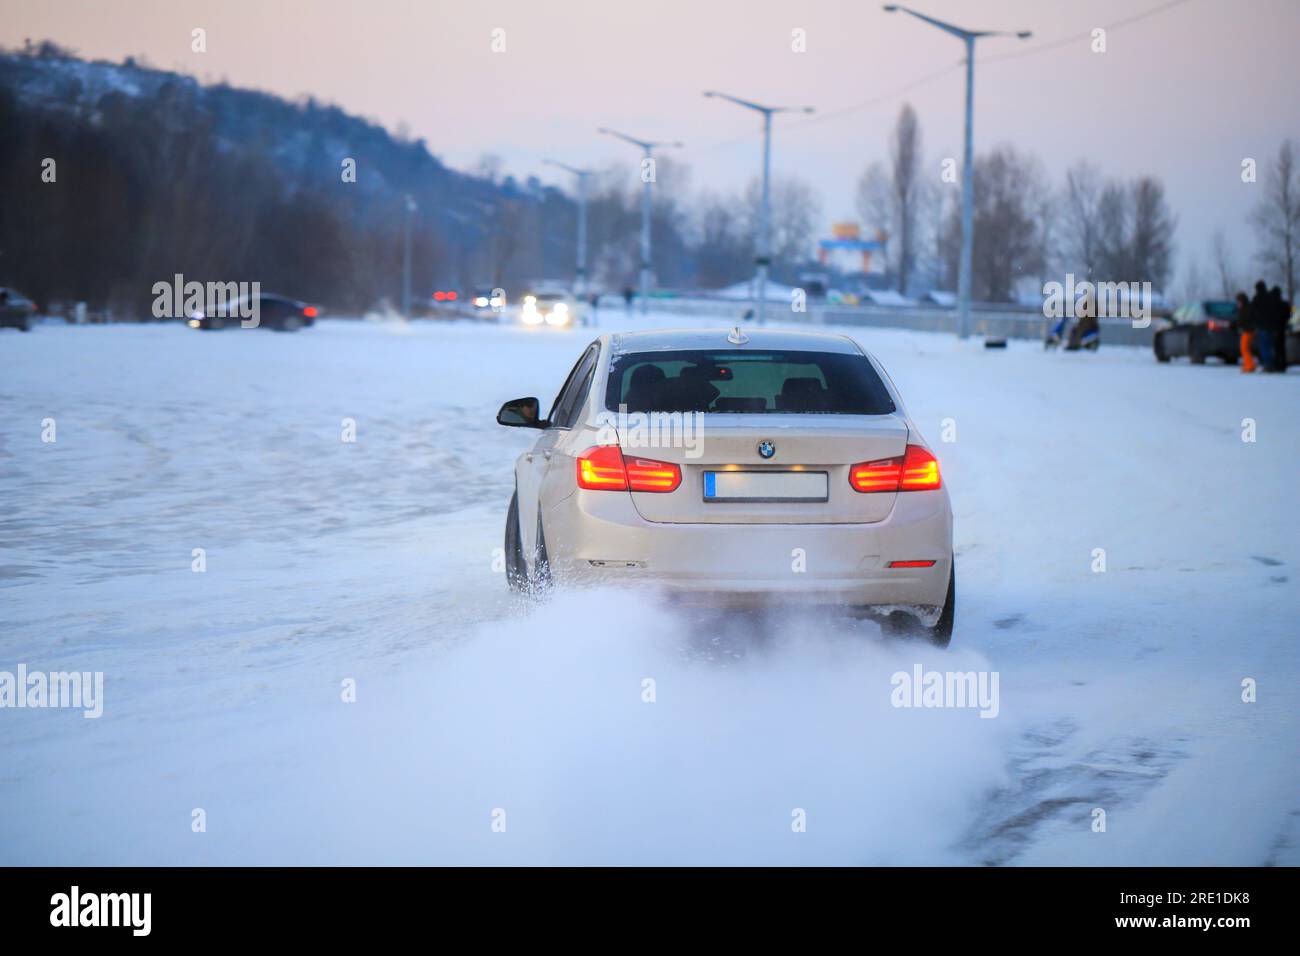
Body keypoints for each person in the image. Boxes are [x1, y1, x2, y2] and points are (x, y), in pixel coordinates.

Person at [1251, 281, 1274, 370]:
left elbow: (1253, 312)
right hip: (1271, 326)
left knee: (1264, 346)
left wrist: (1255, 322)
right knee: (1270, 346)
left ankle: (1267, 364)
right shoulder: (1270, 297)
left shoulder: (1257, 298)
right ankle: (1271, 363)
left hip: (1262, 326)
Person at [1268, 286, 1290, 372]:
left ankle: (1277, 364)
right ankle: (1283, 364)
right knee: (1282, 347)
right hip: (1282, 328)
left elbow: (1270, 316)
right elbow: (1288, 315)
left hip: (1274, 328)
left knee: (1276, 347)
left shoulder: (1273, 305)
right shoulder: (1284, 304)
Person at [1234, 291, 1256, 373]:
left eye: (1238, 301)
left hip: (1247, 330)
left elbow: (1242, 320)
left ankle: (1249, 366)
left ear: (1241, 300)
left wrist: (1236, 325)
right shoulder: (1249, 307)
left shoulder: (1244, 308)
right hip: (1251, 330)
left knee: (1244, 348)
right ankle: (1248, 365)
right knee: (1246, 348)